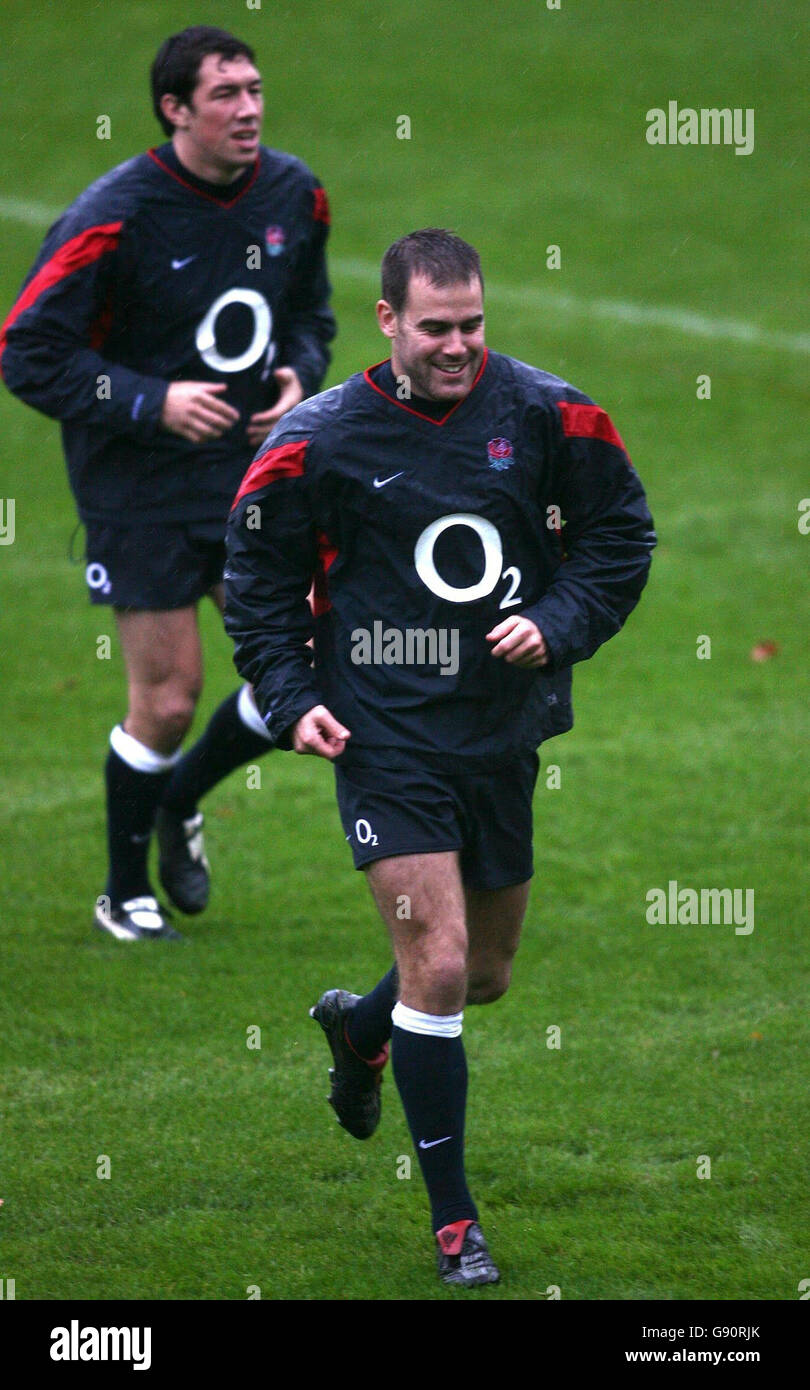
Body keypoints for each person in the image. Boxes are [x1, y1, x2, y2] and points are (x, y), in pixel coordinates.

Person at [224, 229, 655, 1286]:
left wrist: (558, 621)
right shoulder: (318, 438)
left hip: (501, 732)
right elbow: (257, 572)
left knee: (488, 975)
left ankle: (363, 1030)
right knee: (444, 964)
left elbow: (621, 536)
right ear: (387, 322)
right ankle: (455, 1221)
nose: (459, 344)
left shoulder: (552, 413)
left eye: (472, 324)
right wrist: (290, 698)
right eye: (436, 327)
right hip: (386, 737)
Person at [0, 26, 336, 941]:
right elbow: (26, 351)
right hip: (137, 487)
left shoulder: (294, 193)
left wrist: (300, 373)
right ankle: (123, 890)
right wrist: (153, 402)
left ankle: (180, 796)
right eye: (224, 93)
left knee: (303, 663)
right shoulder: (114, 216)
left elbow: (309, 310)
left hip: (249, 475)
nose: (249, 108)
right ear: (174, 109)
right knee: (170, 699)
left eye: (256, 89)